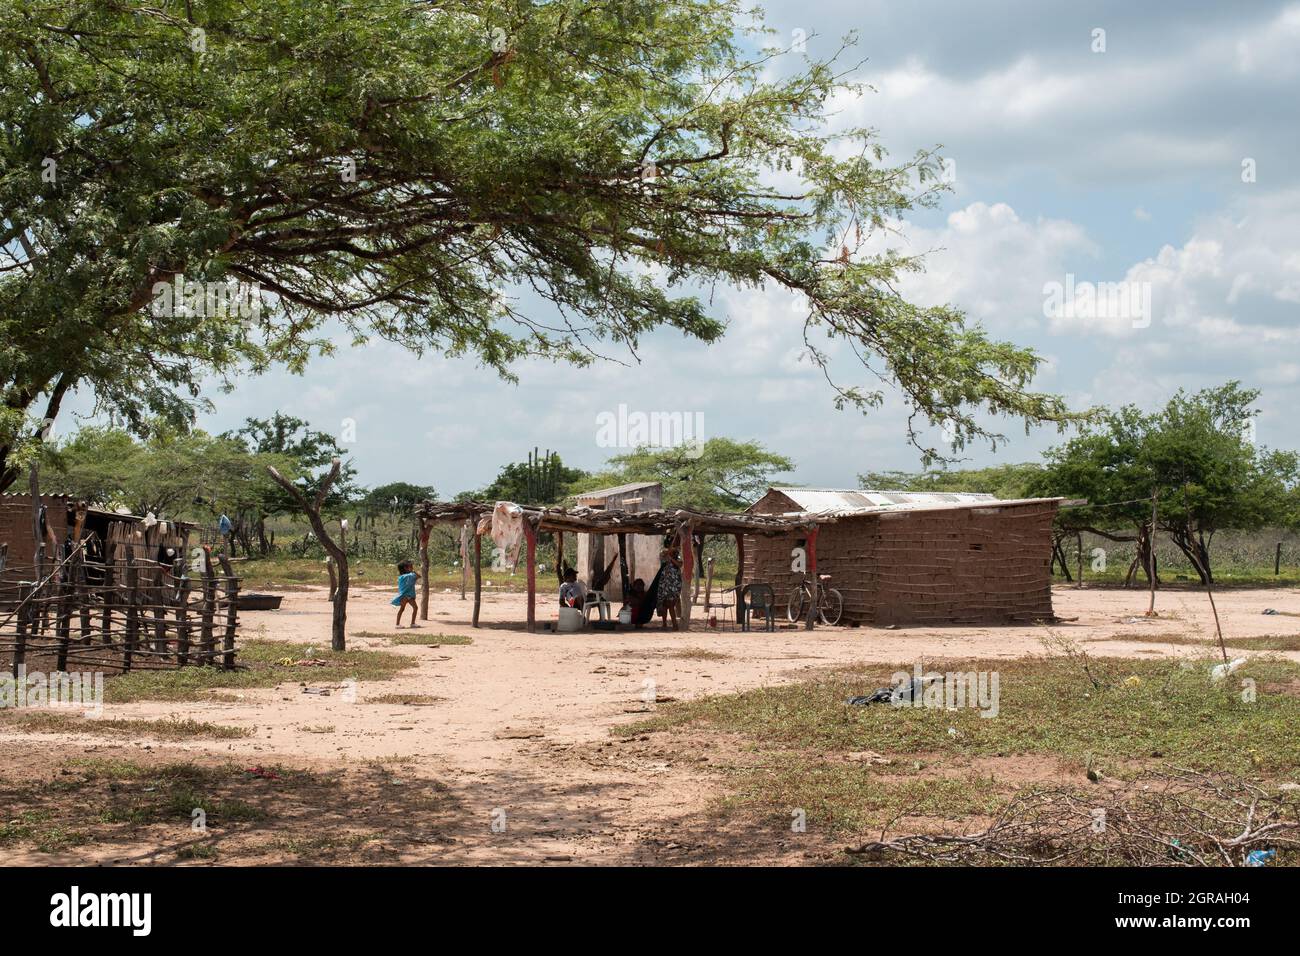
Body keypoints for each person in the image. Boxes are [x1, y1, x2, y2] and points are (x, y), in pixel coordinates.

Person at [655, 545, 683, 630]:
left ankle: (675, 625)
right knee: (664, 605)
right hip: (664, 586)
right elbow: (662, 554)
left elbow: (679, 565)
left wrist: (671, 558)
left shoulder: (677, 559)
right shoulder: (665, 559)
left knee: (671, 605)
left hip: (673, 586)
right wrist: (668, 554)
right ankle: (664, 624)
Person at [391, 560, 420, 627]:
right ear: (405, 568)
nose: (412, 568)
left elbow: (418, 576)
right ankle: (397, 624)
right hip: (404, 596)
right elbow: (417, 576)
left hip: (410, 595)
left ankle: (413, 623)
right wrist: (413, 572)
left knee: (415, 608)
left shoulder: (409, 576)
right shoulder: (403, 577)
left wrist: (413, 571)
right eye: (411, 567)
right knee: (402, 609)